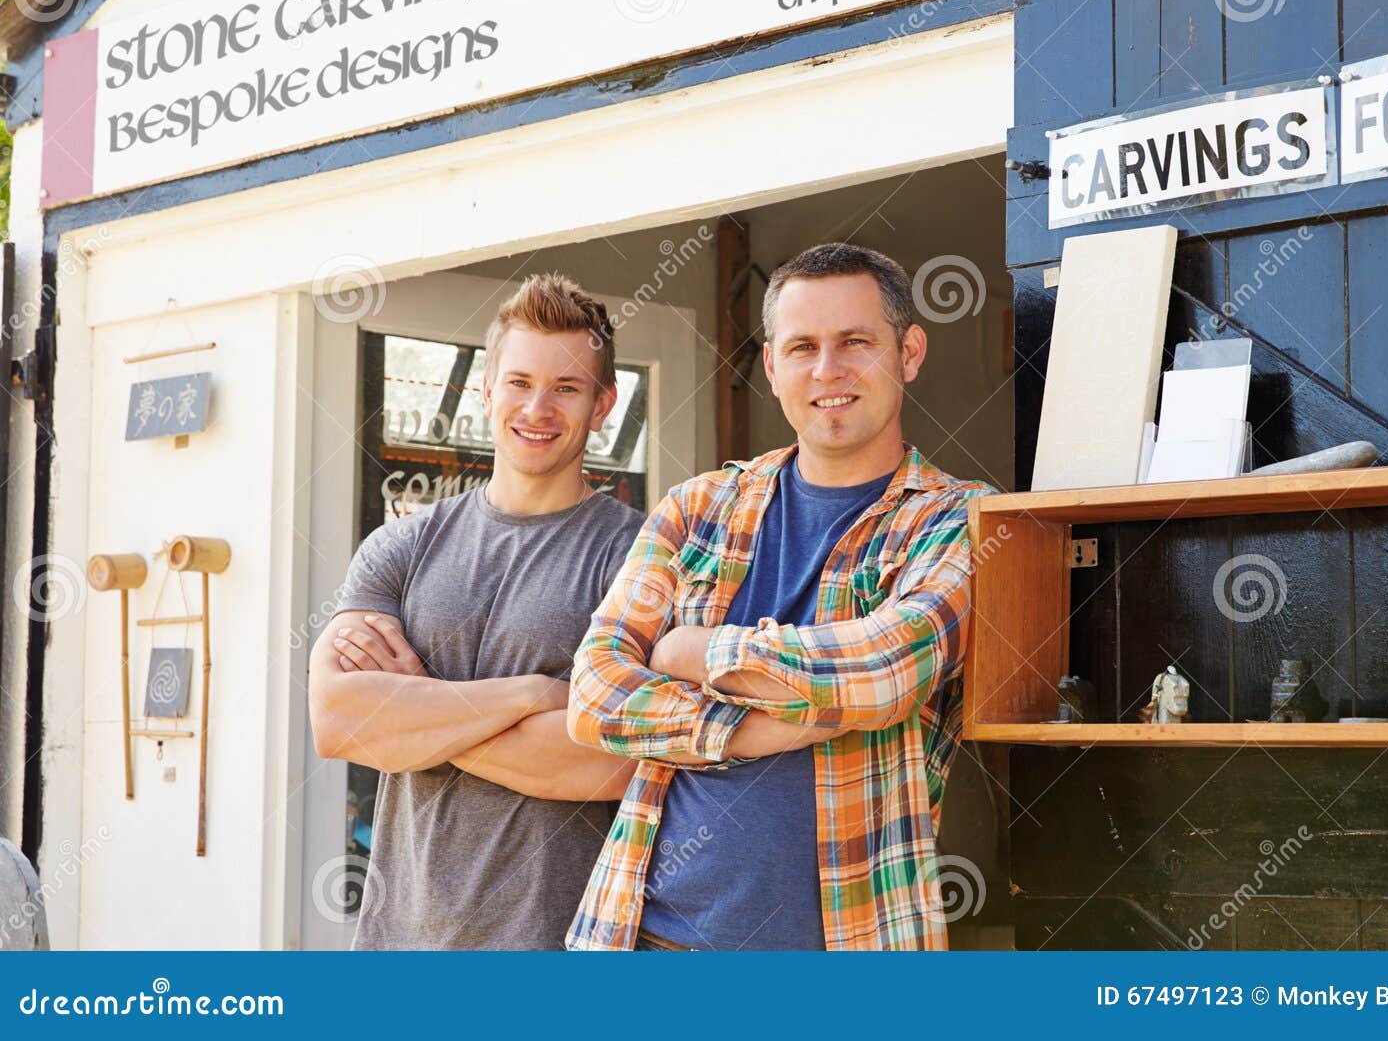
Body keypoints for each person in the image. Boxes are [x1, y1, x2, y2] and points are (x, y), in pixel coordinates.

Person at [566, 242, 989, 951]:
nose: (828, 371)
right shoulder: (696, 507)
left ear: (909, 352)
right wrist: (753, 728)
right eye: (803, 347)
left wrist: (690, 651)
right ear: (771, 365)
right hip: (643, 939)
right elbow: (595, 692)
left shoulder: (957, 519)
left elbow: (884, 671)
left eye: (855, 342)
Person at [308, 273, 643, 950]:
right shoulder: (402, 544)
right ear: (487, 389)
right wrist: (532, 696)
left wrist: (421, 709)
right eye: (519, 382)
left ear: (603, 403)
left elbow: (613, 764)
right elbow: (339, 719)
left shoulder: (636, 556)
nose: (537, 407)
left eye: (567, 387)